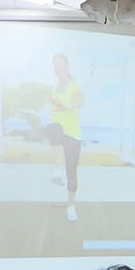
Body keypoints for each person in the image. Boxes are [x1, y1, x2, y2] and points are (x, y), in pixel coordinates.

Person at [48, 52, 83, 222]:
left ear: (66, 66)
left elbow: (80, 101)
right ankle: (57, 170)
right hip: (59, 131)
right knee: (52, 128)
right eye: (55, 65)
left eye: (60, 64)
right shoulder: (54, 88)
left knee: (72, 174)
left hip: (73, 135)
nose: (57, 68)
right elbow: (55, 109)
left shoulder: (73, 86)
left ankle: (71, 206)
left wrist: (67, 105)